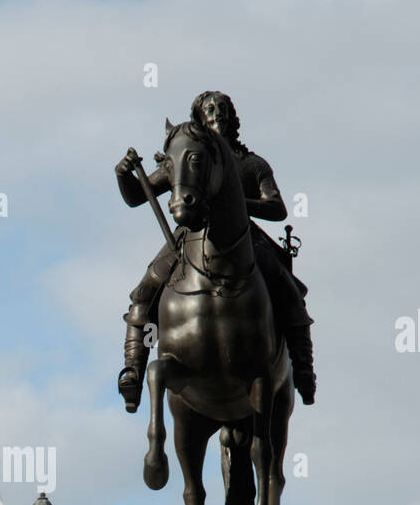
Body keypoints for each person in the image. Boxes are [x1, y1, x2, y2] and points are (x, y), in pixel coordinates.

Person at [115, 90, 316, 412]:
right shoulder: (185, 157)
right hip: (188, 237)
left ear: (232, 117)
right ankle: (134, 371)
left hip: (245, 238)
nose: (217, 113)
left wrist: (233, 201)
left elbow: (277, 208)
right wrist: (123, 173)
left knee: (289, 290)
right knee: (144, 294)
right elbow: (138, 196)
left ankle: (303, 369)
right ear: (199, 117)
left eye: (222, 108)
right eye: (209, 109)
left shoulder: (251, 163)